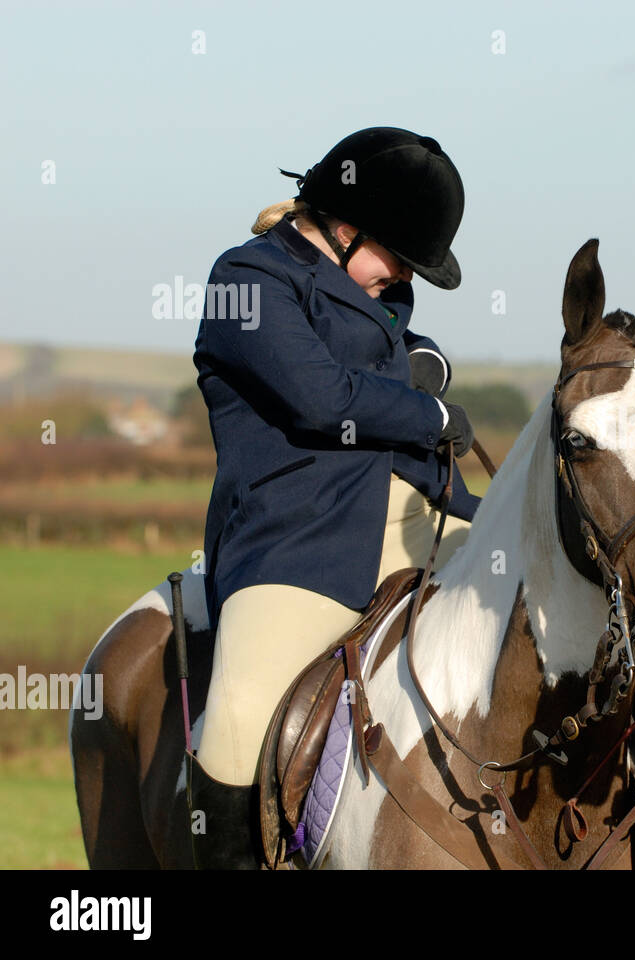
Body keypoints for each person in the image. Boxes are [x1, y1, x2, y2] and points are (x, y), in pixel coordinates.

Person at [190, 127, 480, 867]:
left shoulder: (370, 286)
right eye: (399, 262)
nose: (401, 282)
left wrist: (427, 365)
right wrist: (431, 414)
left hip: (423, 515)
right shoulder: (245, 284)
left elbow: (405, 348)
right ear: (346, 229)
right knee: (235, 721)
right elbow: (322, 398)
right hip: (301, 539)